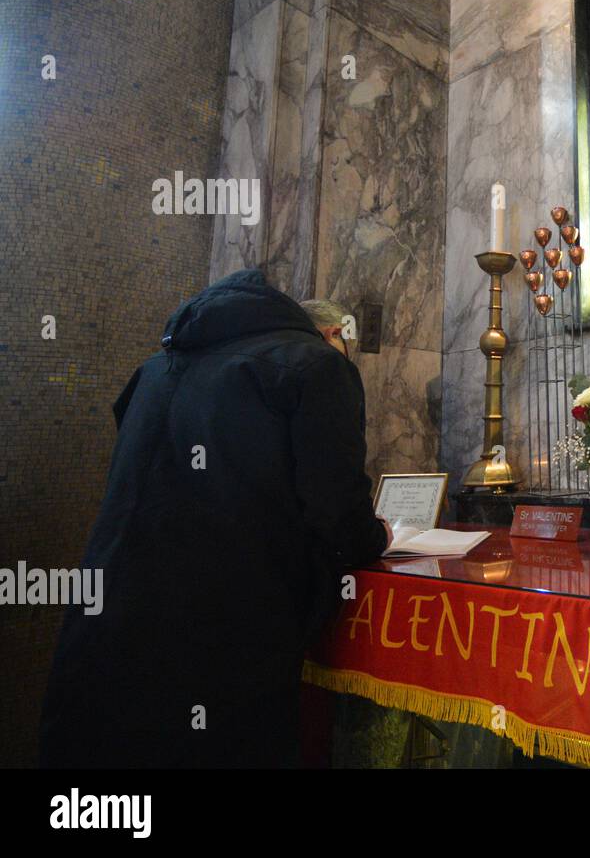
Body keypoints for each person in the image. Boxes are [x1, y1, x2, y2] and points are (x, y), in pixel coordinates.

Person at [38, 269, 390, 768]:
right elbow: (336, 513)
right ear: (334, 334)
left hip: (107, 616)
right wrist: (377, 536)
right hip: (222, 635)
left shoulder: (155, 369)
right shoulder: (317, 367)